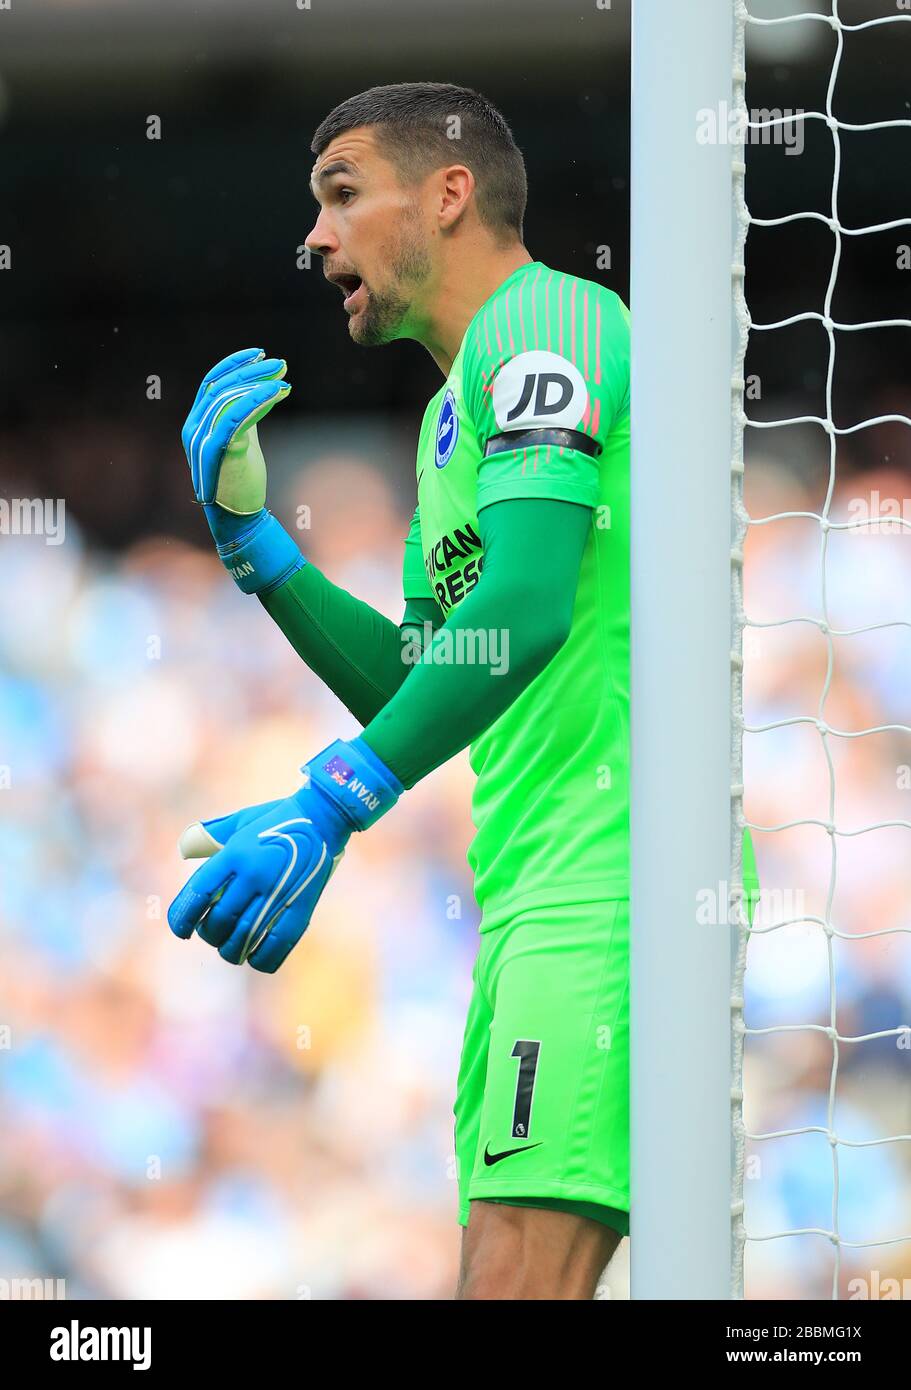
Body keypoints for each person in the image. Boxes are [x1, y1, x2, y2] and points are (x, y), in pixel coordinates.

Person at [169, 82, 758, 1300]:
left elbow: (531, 600)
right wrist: (255, 548)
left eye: (341, 195)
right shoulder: (449, 420)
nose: (314, 236)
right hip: (531, 894)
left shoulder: (547, 319)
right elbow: (429, 679)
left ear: (446, 194)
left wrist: (333, 806)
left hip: (618, 879)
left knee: (508, 1283)